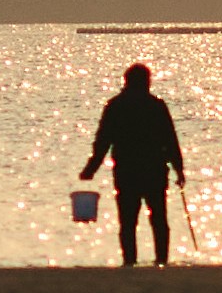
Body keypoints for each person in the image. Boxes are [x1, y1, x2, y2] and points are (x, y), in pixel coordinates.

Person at [78, 63, 187, 267]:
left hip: (126, 171)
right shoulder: (156, 106)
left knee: (128, 220)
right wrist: (178, 169)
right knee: (159, 219)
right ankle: (161, 259)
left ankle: (129, 261)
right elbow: (170, 139)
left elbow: (103, 141)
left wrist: (90, 169)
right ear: (146, 82)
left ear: (126, 81)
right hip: (154, 170)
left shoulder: (115, 106)